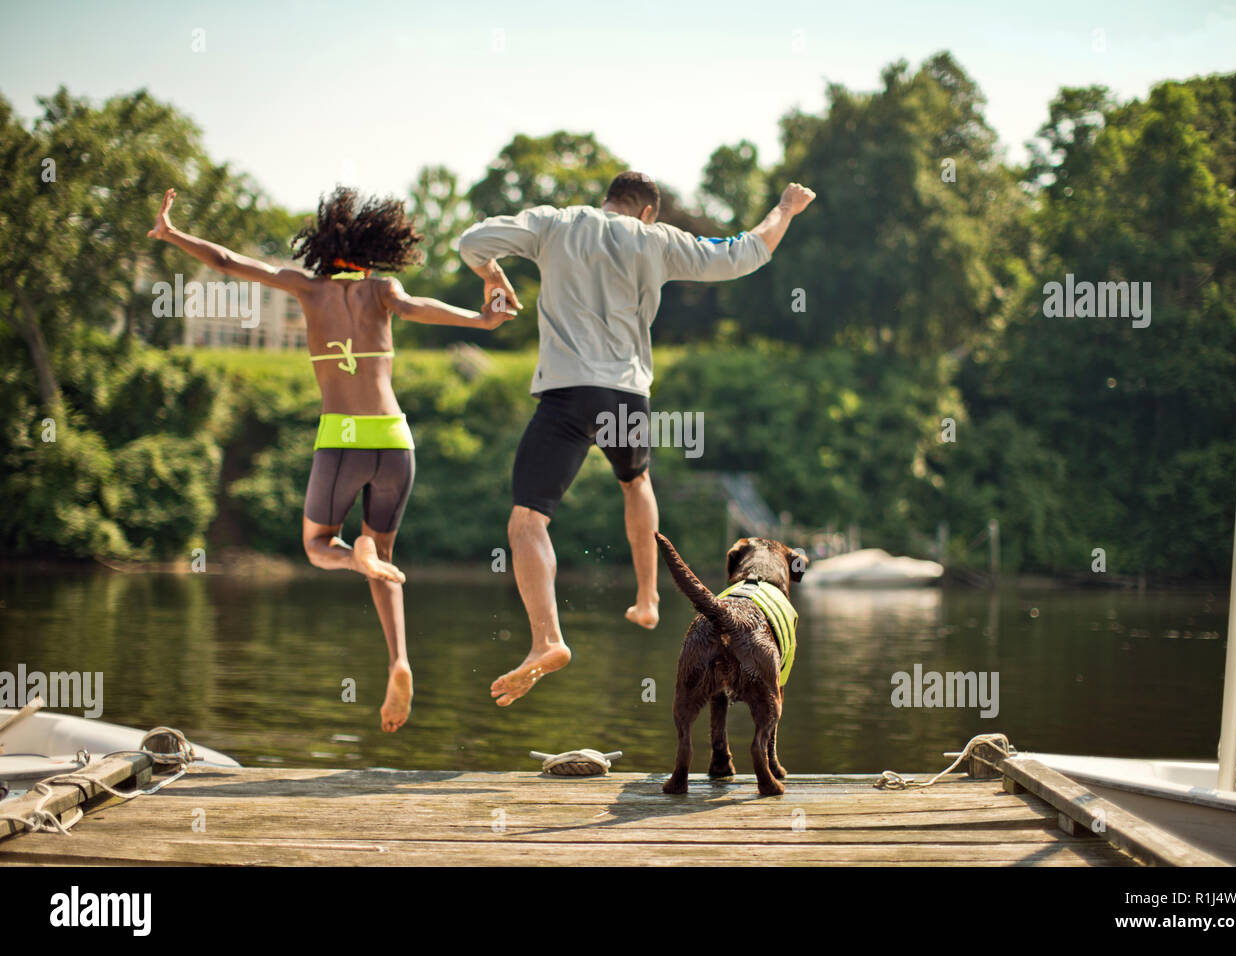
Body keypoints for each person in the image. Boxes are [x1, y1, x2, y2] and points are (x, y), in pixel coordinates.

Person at [148, 186, 512, 731]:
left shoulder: (306, 287)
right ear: (375, 246)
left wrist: (172, 233)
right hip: (395, 440)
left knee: (320, 545)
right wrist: (483, 321)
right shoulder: (384, 289)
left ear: (323, 245)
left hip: (342, 440)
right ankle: (399, 660)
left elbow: (229, 261)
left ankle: (352, 557)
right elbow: (424, 310)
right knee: (383, 557)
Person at [457, 171, 815, 706]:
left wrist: (493, 276)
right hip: (626, 395)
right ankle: (647, 598)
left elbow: (470, 243)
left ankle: (547, 639)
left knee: (528, 519)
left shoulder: (555, 223)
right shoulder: (658, 239)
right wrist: (784, 209)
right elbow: (746, 253)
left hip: (566, 393)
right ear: (648, 211)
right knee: (635, 481)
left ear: (607, 200)